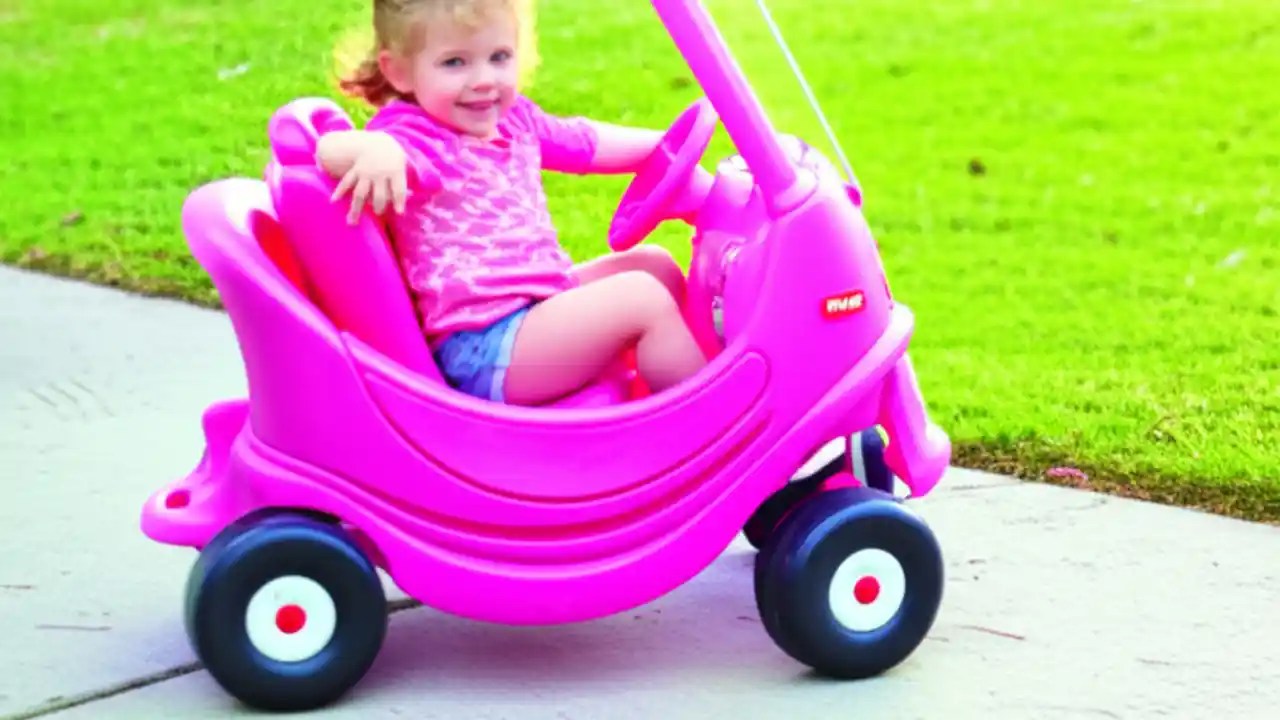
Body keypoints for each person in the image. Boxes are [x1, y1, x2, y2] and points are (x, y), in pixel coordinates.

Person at [316, 0, 708, 406]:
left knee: (655, 266)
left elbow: (586, 142)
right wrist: (375, 148)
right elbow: (326, 148)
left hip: (535, 309)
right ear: (398, 70)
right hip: (486, 348)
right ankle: (711, 416)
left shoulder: (514, 120)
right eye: (454, 62)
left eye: (499, 57)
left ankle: (675, 382)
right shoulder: (414, 137)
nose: (484, 80)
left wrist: (668, 144)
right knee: (642, 298)